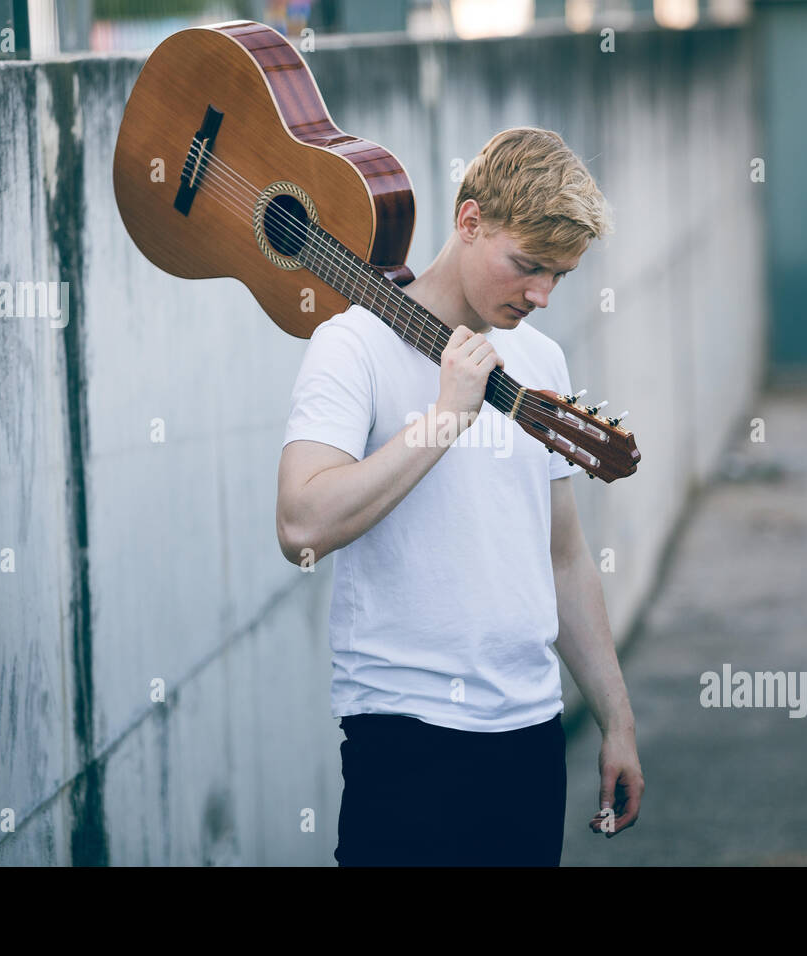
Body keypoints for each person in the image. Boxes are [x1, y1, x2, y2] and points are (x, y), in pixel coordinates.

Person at [276, 126, 643, 866]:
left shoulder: (540, 359)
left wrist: (618, 720)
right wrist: (446, 415)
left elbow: (564, 558)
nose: (541, 295)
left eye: (560, 277)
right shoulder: (353, 345)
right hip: (404, 739)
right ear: (470, 222)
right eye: (528, 266)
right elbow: (301, 524)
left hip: (530, 736)